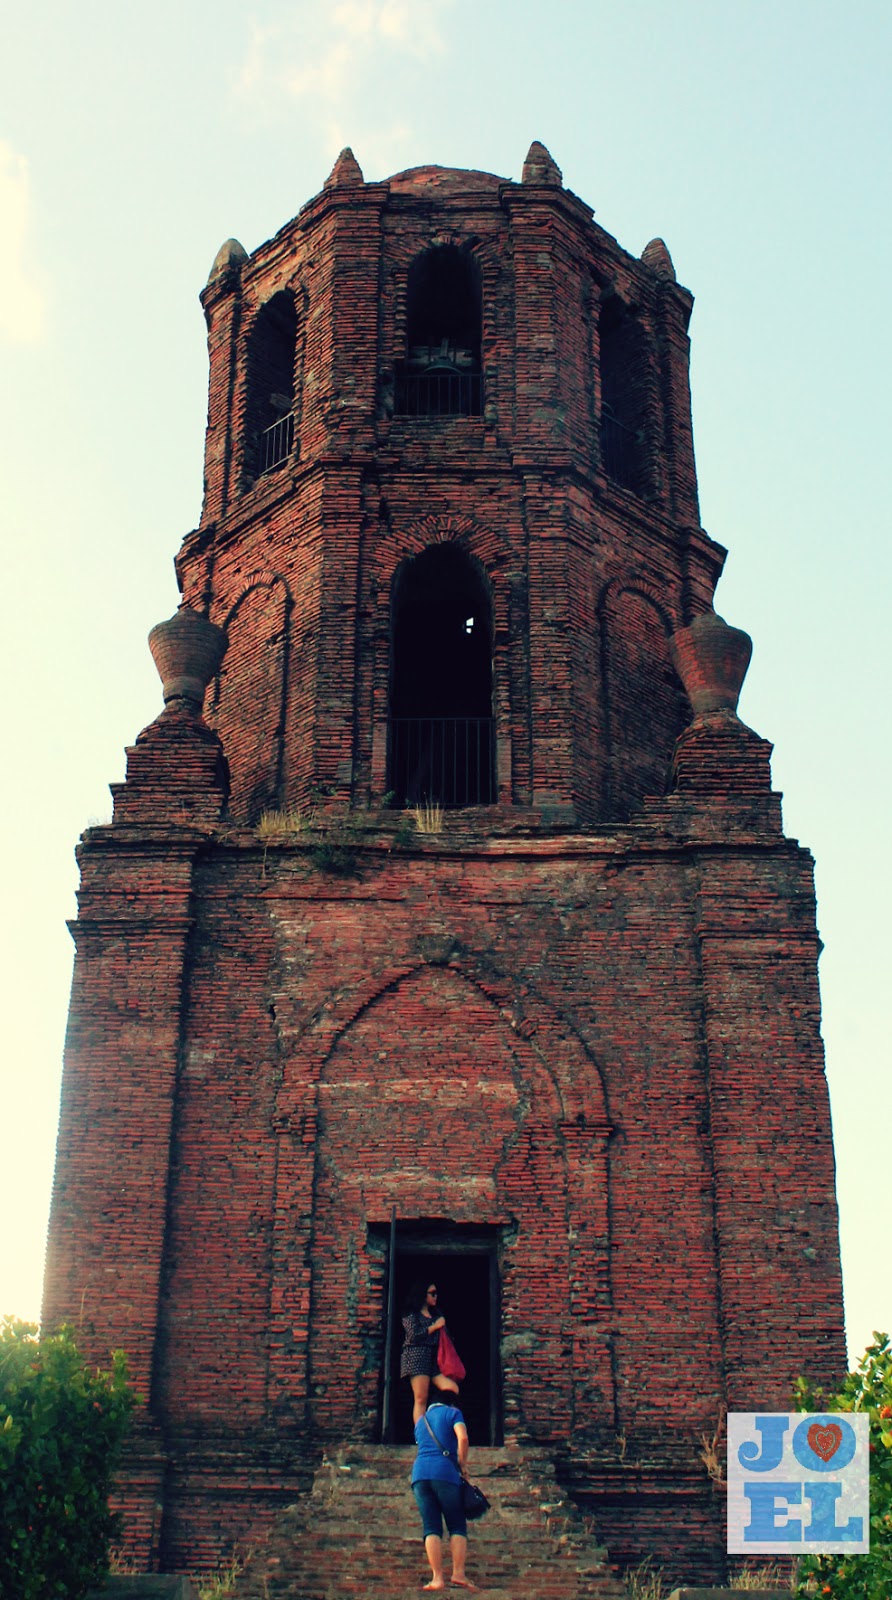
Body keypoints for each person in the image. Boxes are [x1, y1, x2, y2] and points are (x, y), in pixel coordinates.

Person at [411, 1395, 476, 1591]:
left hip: (420, 1475)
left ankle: (437, 1578)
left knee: (431, 1526)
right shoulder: (453, 1413)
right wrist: (463, 1465)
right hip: (445, 1473)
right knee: (456, 1523)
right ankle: (458, 1574)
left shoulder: (420, 1421)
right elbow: (462, 1437)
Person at [400, 1280, 460, 1424]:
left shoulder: (436, 1314)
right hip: (417, 1356)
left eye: (436, 1293)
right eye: (432, 1293)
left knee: (452, 1388)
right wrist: (434, 1326)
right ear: (422, 1295)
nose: (435, 1296)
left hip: (434, 1358)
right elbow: (413, 1336)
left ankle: (441, 1424)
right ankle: (421, 1438)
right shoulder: (411, 1314)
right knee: (421, 1398)